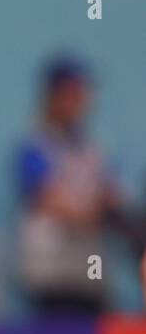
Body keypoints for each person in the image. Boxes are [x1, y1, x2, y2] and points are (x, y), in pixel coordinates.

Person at [17, 56, 130, 319]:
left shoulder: (96, 149)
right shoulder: (36, 146)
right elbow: (46, 199)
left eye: (82, 93)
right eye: (71, 93)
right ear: (52, 97)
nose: (80, 101)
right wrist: (94, 212)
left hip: (91, 275)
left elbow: (111, 195)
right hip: (53, 276)